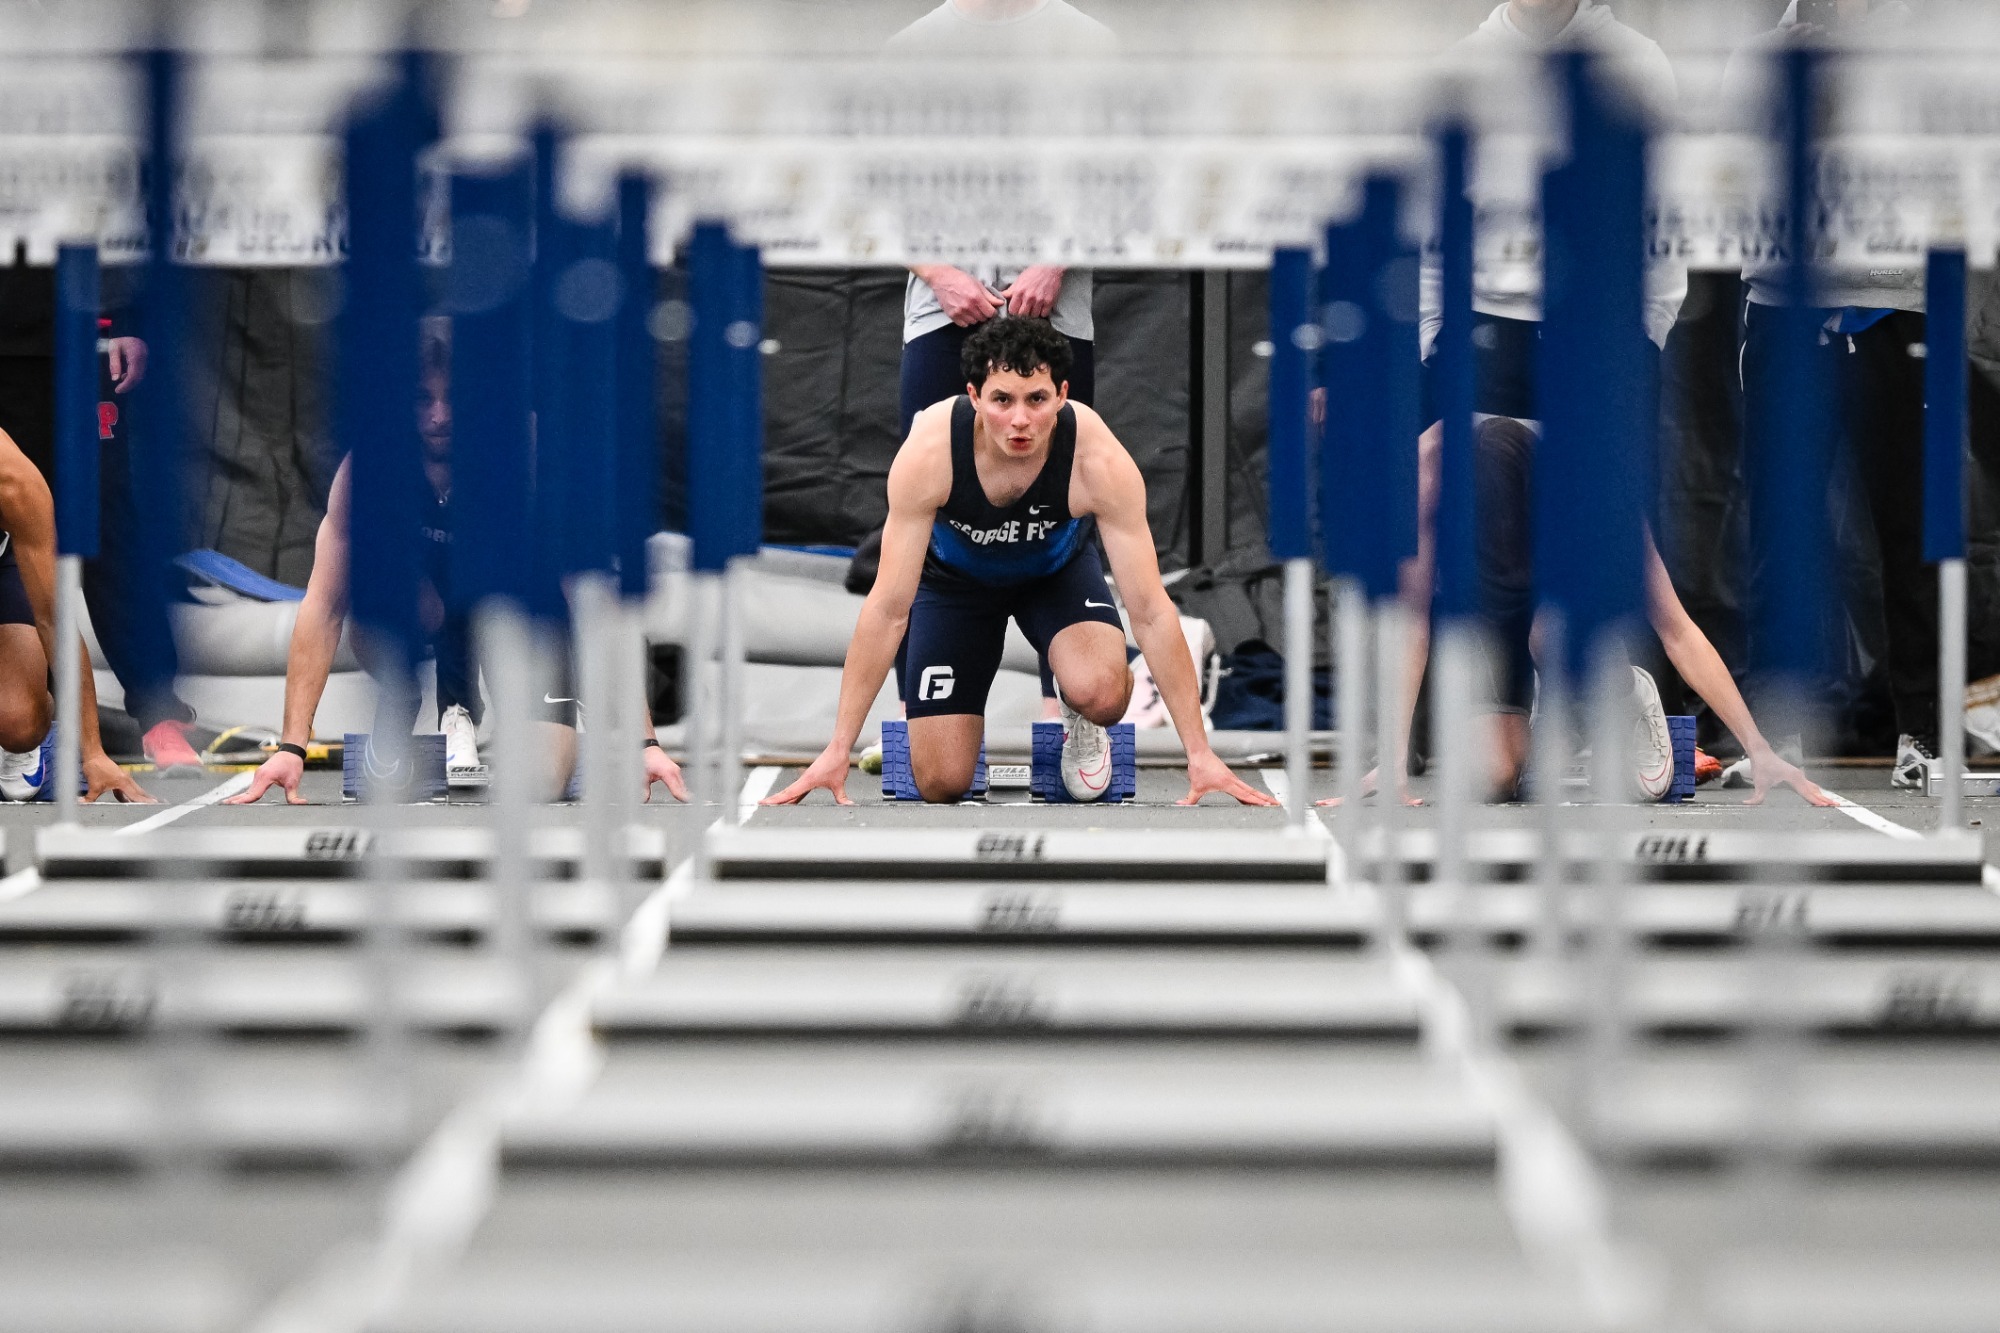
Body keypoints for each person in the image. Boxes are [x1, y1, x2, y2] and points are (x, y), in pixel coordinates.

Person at [1357, 0, 1830, 808]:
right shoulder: (1441, 460)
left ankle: (1613, 683)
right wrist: (1394, 761)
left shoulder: (1636, 60)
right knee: (1494, 776)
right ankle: (1527, 715)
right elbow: (1410, 614)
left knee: (1582, 615)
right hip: (1486, 335)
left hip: (1595, 334)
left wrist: (1761, 745)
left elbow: (1676, 622)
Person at [765, 316, 1274, 808]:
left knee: (1101, 692)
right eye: (1002, 400)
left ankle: (1081, 720)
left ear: (1062, 395)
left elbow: (1151, 611)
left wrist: (1200, 754)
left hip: (1054, 575)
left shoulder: (1097, 460)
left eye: (1037, 399)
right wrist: (838, 749)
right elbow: (887, 610)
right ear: (973, 398)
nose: (1020, 420)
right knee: (942, 782)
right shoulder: (930, 451)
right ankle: (943, 733)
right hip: (954, 586)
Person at [228, 325, 686, 806]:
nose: (440, 416)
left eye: (456, 400)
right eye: (422, 400)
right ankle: (407, 694)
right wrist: (291, 747)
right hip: (428, 610)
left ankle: (568, 737)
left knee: (540, 785)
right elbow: (321, 607)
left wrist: (646, 742)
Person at [1722, 0, 1998, 789]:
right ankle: (1781, 734)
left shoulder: (1923, 55)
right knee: (1781, 526)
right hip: (1785, 309)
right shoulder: (1758, 59)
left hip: (1897, 309)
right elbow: (1732, 191)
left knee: (1917, 524)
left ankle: (1926, 737)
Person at [869, 0, 1117, 724]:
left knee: (1064, 496)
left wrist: (1054, 263)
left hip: (1054, 310)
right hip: (941, 313)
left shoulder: (1087, 41)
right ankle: (925, 708)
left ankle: (1068, 712)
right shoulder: (910, 49)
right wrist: (940, 273)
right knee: (924, 498)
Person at [0, 253, 203, 770]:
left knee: (100, 522)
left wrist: (128, 321)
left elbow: (122, 209)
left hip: (74, 338)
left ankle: (156, 710)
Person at [0, 421, 155, 802]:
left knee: (18, 723)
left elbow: (54, 620)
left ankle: (36, 729)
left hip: (4, 567)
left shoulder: (14, 482)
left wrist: (94, 753)